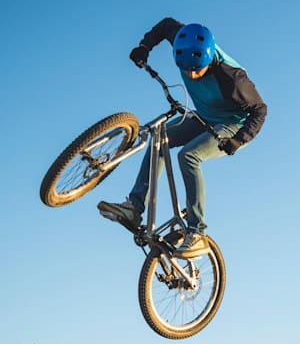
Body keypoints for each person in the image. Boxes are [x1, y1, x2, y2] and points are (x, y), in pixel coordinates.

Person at [98, 18, 268, 258]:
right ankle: (135, 207)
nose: (190, 74)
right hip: (203, 117)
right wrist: (144, 47)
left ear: (208, 60)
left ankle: (198, 232)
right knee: (159, 137)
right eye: (185, 68)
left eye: (196, 69)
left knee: (188, 156)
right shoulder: (184, 40)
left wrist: (240, 139)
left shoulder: (233, 78)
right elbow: (166, 24)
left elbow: (260, 110)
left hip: (231, 125)